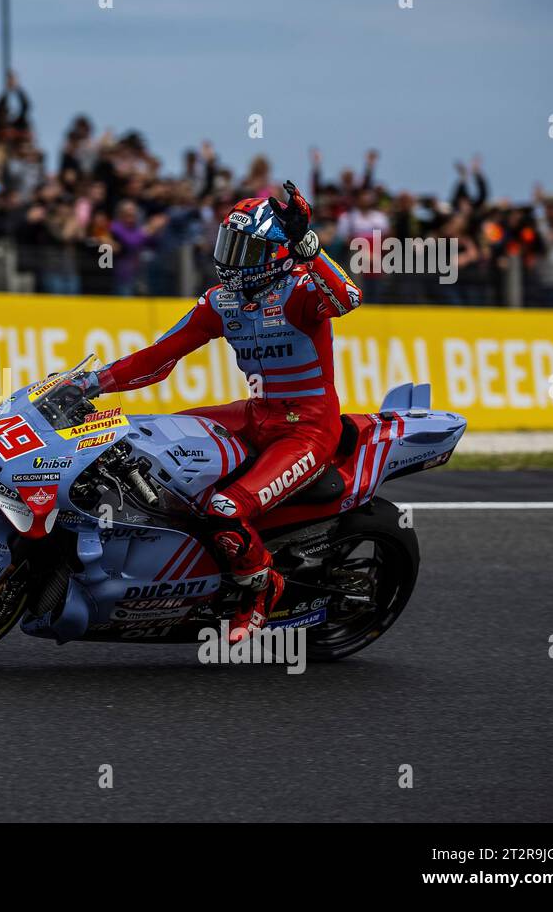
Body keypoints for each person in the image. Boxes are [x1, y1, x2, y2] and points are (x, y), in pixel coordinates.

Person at [60, 181, 362, 642]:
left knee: (224, 508)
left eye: (244, 248)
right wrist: (88, 386)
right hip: (256, 413)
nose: (230, 257)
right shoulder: (220, 301)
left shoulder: (300, 291)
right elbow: (158, 357)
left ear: (275, 254)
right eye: (228, 243)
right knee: (144, 440)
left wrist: (309, 247)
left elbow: (347, 299)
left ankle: (261, 587)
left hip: (308, 429)